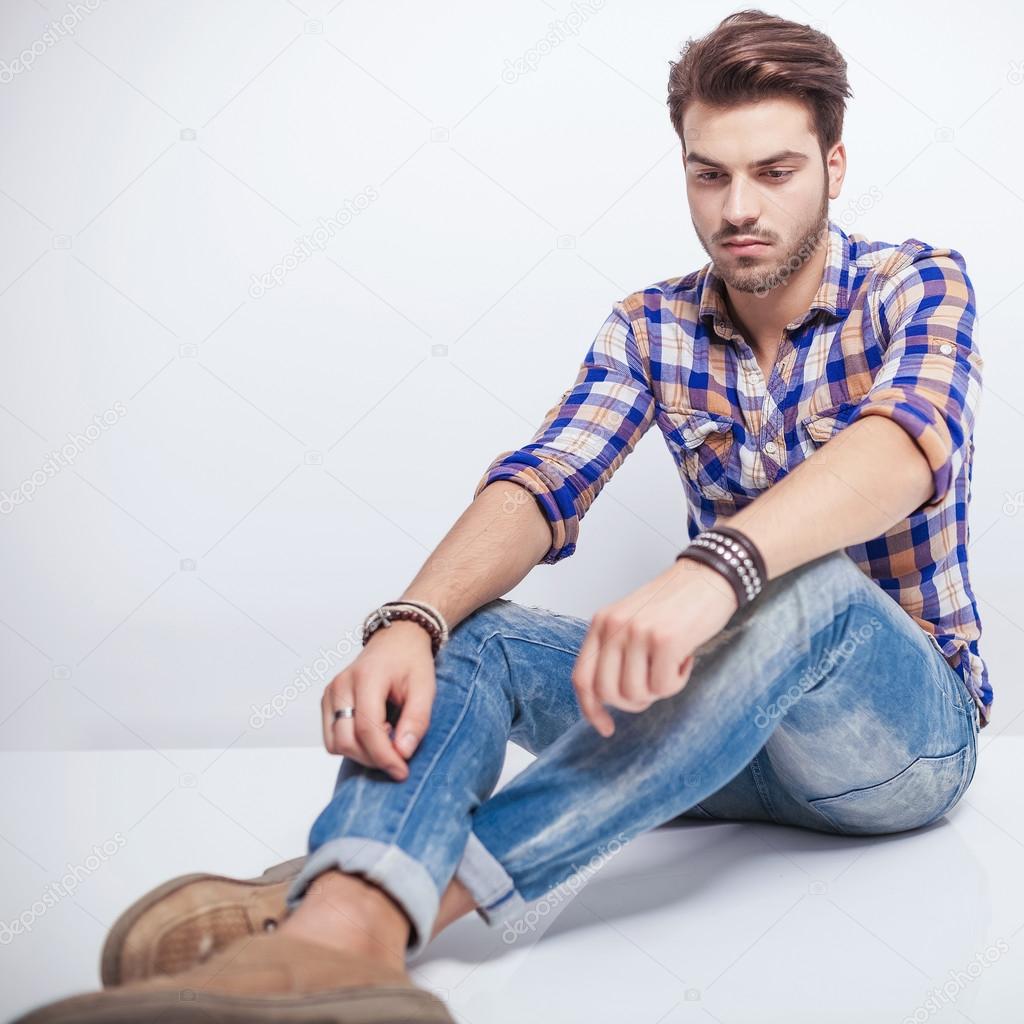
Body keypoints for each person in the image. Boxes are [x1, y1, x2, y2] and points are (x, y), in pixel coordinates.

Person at [16, 8, 988, 1023]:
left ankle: (359, 915)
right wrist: (410, 620)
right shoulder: (651, 325)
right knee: (467, 635)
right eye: (708, 174)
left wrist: (713, 571)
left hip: (900, 744)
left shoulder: (916, 283)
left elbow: (899, 451)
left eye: (773, 172)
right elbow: (545, 477)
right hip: (724, 742)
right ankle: (336, 934)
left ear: (834, 165)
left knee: (811, 589)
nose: (737, 206)